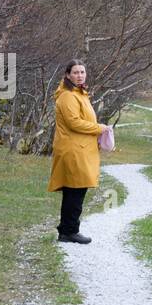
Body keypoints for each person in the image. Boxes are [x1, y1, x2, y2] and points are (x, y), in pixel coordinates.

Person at [47, 58, 107, 244]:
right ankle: (69, 231)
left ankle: (67, 230)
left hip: (80, 149)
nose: (80, 75)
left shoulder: (80, 94)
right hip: (73, 150)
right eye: (75, 72)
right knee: (74, 191)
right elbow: (74, 123)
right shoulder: (67, 96)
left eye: (82, 72)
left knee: (76, 191)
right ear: (67, 75)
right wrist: (99, 128)